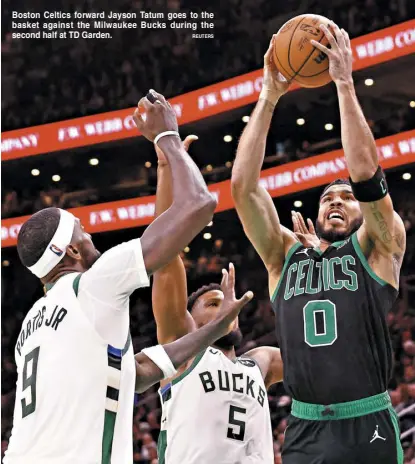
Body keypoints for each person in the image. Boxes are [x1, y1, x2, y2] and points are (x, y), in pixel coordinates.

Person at [4, 89, 221, 464]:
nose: (91, 237)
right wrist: (167, 137)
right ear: (70, 252)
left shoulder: (29, 328)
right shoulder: (93, 284)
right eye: (83, 233)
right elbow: (199, 205)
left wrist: (211, 332)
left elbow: (132, 375)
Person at [231, 25, 406, 464]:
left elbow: (366, 173)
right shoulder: (284, 257)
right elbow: (243, 188)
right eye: (327, 196)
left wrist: (344, 83)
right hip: (306, 426)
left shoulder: (380, 248)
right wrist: (269, 94)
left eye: (346, 198)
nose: (335, 200)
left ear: (363, 211)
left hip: (368, 421)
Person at [149, 135, 294, 464]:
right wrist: (165, 171)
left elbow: (325, 351)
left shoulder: (261, 362)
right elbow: (165, 262)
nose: (227, 306)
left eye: (227, 301)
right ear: (191, 322)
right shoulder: (182, 353)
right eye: (213, 303)